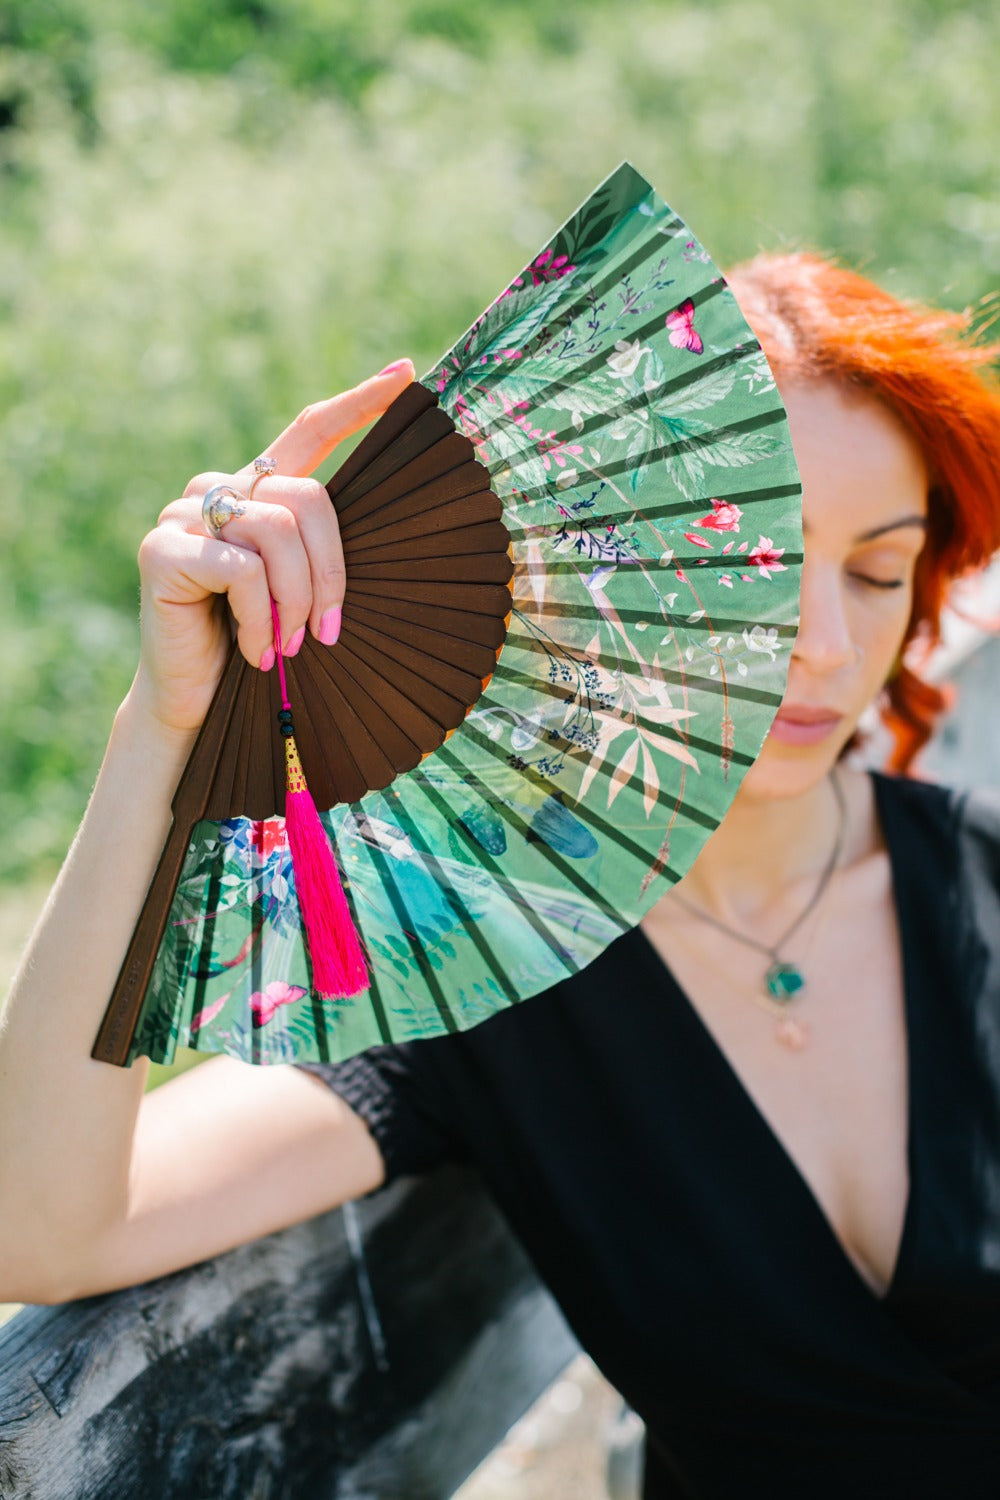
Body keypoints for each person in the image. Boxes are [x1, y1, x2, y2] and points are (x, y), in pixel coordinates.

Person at [2, 255, 1000, 1499]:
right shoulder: (488, 966)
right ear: (610, 574)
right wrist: (169, 723)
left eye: (873, 569)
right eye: (758, 563)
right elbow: (36, 1221)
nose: (826, 644)